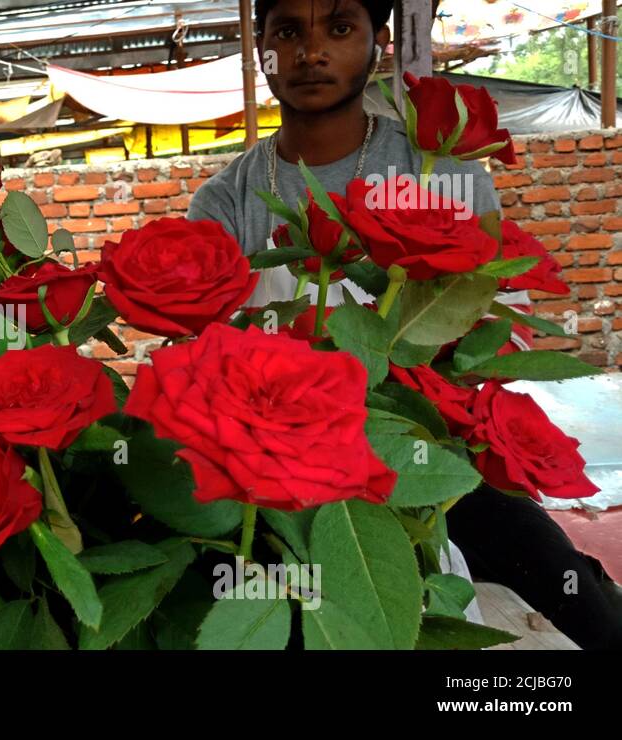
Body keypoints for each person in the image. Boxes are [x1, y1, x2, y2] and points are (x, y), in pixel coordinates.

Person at [189, 0, 622, 649]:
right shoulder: (224, 203)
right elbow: (210, 361)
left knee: (576, 601)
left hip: (427, 462)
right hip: (282, 483)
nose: (311, 51)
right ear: (262, 49)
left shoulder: (444, 173)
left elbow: (502, 324)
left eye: (339, 28)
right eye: (287, 31)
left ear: (379, 43)